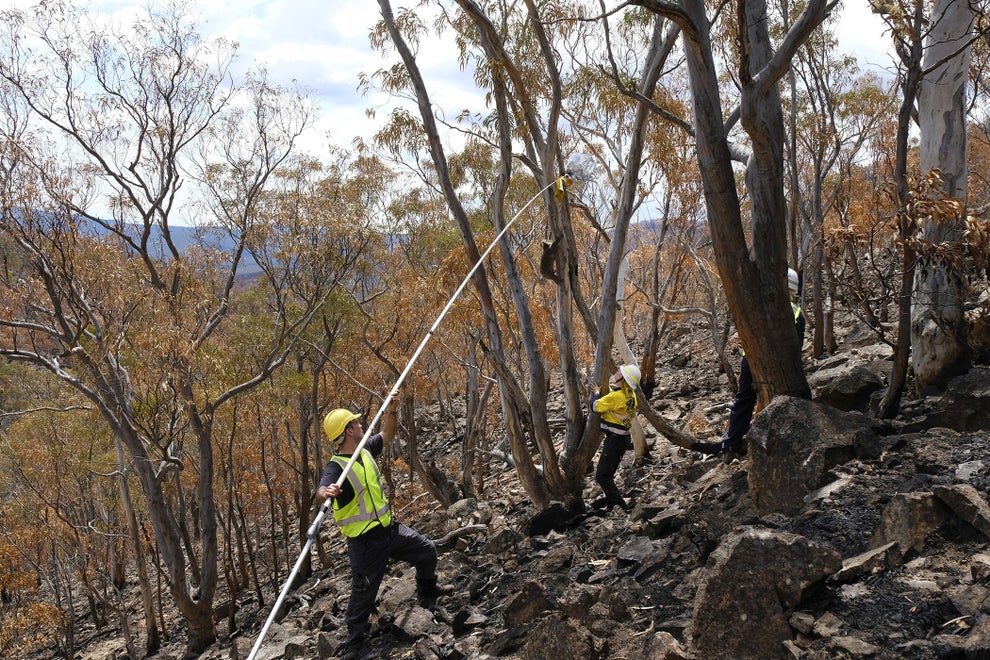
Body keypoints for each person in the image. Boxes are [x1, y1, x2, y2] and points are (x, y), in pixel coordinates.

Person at [315, 396, 450, 655]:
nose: (360, 424)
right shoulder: (336, 467)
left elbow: (387, 433)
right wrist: (325, 492)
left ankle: (428, 592)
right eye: (356, 422)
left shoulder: (365, 449)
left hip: (390, 530)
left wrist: (392, 410)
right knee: (363, 594)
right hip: (365, 543)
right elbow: (321, 490)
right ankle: (354, 646)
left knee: (427, 551)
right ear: (348, 431)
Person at [695, 268, 806, 459]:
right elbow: (797, 346)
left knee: (744, 400)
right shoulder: (797, 314)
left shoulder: (761, 306)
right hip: (778, 364)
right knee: (778, 402)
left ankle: (730, 444)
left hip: (751, 359)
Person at [590, 363, 641, 511]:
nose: (617, 372)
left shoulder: (615, 397)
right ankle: (612, 504)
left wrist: (596, 393)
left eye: (620, 372)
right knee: (608, 474)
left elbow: (595, 406)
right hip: (623, 439)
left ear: (623, 378)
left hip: (615, 440)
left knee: (602, 476)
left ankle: (620, 505)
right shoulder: (631, 395)